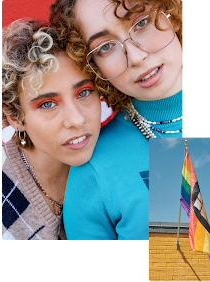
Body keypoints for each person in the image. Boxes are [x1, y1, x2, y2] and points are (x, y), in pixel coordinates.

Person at [48, 0, 183, 239]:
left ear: (172, 13)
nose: (136, 57)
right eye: (105, 47)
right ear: (93, 67)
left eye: (142, 23)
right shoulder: (93, 170)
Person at [1, 18, 102, 240]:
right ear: (16, 117)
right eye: (47, 104)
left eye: (84, 92)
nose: (76, 119)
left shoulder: (117, 157)